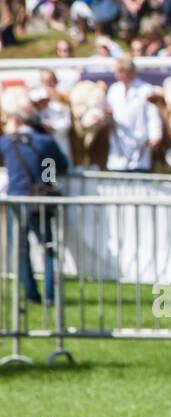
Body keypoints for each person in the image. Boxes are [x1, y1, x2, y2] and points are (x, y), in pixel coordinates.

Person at [0, 90, 69, 306]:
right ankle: (50, 296)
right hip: (40, 202)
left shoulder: (7, 143)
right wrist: (46, 177)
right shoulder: (45, 142)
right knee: (48, 248)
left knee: (21, 251)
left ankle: (31, 295)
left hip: (16, 202)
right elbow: (60, 166)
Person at [105, 56, 162, 172]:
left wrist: (155, 136)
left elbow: (153, 116)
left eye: (121, 72)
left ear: (131, 72)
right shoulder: (114, 90)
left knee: (139, 177)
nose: (117, 75)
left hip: (140, 142)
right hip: (118, 141)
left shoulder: (146, 89)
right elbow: (108, 111)